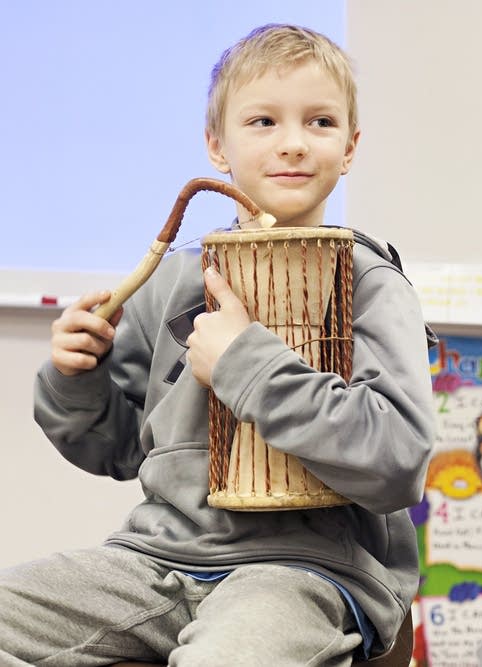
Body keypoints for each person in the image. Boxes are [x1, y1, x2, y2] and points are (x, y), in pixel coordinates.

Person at [0, 24, 435, 666]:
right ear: (216, 145)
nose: (293, 142)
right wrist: (75, 377)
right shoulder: (170, 282)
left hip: (309, 569)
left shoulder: (371, 284)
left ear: (349, 147)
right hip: (157, 557)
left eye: (319, 122)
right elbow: (118, 450)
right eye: (262, 121)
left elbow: (399, 461)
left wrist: (242, 363)